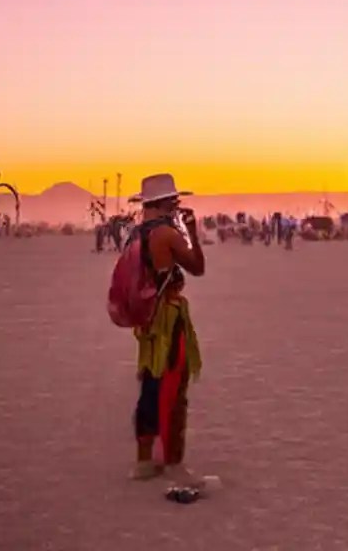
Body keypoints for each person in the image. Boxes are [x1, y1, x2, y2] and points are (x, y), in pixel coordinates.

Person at [128, 174, 207, 485]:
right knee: (175, 383)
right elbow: (197, 267)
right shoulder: (165, 234)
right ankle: (174, 460)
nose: (178, 207)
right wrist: (192, 233)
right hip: (168, 317)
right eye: (174, 202)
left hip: (146, 319)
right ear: (163, 204)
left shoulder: (136, 234)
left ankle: (144, 460)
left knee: (150, 382)